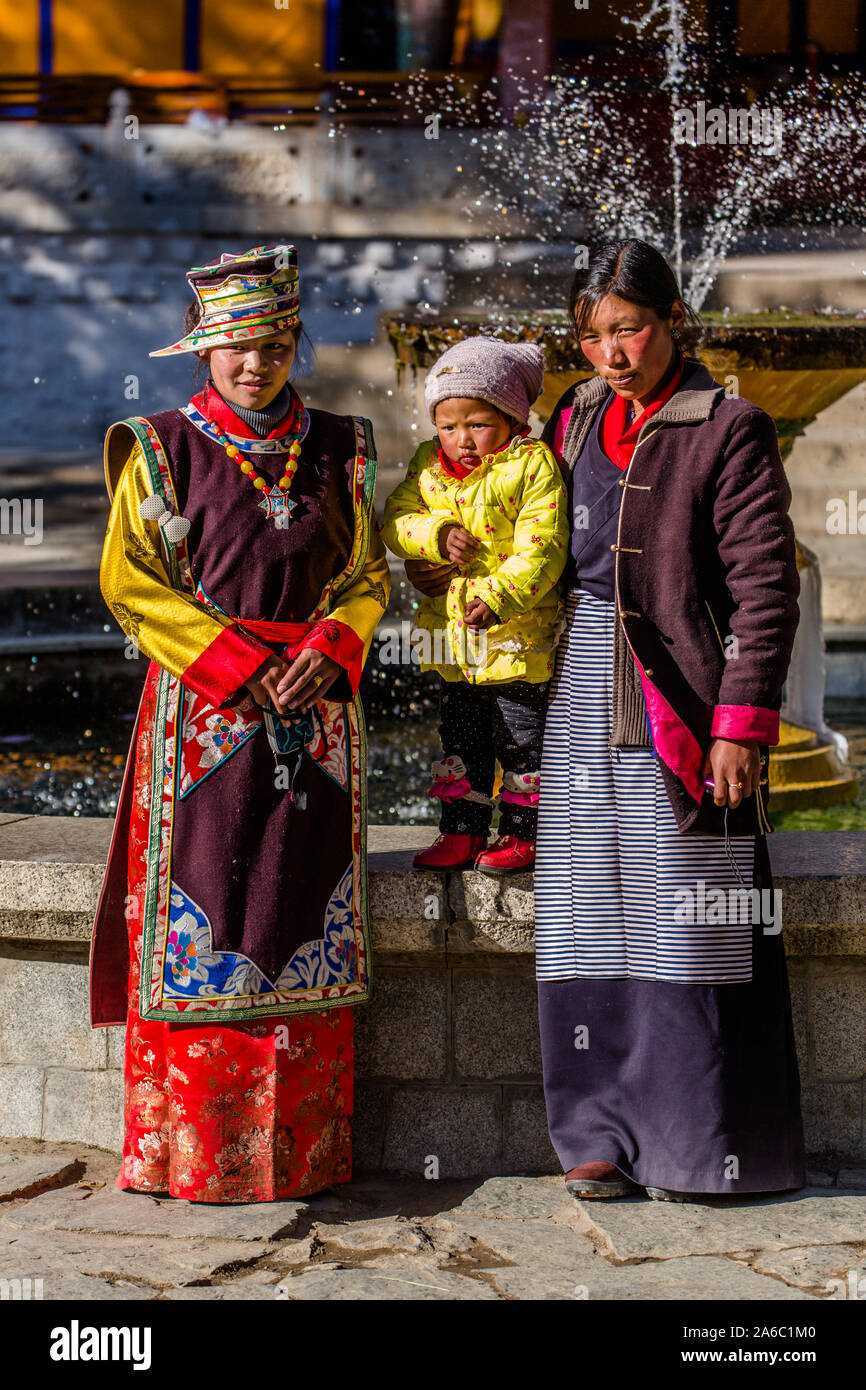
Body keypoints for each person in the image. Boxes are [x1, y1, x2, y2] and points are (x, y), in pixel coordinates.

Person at [89, 243, 390, 1202]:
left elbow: (367, 578)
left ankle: (304, 1157)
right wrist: (240, 666)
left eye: (270, 344)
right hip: (204, 722)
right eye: (233, 349)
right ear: (202, 355)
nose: (253, 364)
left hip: (314, 721)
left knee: (299, 921)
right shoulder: (159, 447)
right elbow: (130, 582)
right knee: (209, 921)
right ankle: (187, 1156)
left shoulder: (343, 445)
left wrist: (335, 646)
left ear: (295, 340)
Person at [535, 238, 804, 1201]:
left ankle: (701, 1144)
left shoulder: (727, 426)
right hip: (579, 691)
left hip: (681, 698)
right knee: (586, 916)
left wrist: (741, 722)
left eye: (630, 328)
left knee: (689, 920)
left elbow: (765, 585)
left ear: (672, 321)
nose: (613, 351)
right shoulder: (570, 420)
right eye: (595, 334)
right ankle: (596, 1136)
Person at [382, 337, 569, 875]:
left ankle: (525, 833)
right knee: (459, 740)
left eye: (478, 424)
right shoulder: (428, 465)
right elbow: (396, 518)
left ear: (512, 418)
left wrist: (496, 595)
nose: (462, 440)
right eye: (448, 425)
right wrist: (435, 534)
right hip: (453, 640)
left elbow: (545, 548)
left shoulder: (533, 467)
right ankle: (460, 830)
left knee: (521, 740)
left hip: (516, 639)